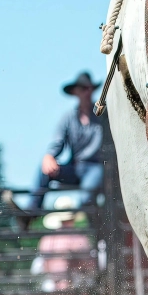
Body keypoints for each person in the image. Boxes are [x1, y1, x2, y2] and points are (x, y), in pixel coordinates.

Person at [29, 72, 105, 211]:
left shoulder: (103, 116)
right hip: (75, 168)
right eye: (83, 89)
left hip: (95, 167)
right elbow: (58, 141)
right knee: (45, 169)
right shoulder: (68, 118)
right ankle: (29, 214)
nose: (87, 92)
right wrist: (49, 156)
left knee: (86, 197)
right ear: (75, 92)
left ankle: (94, 230)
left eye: (89, 88)